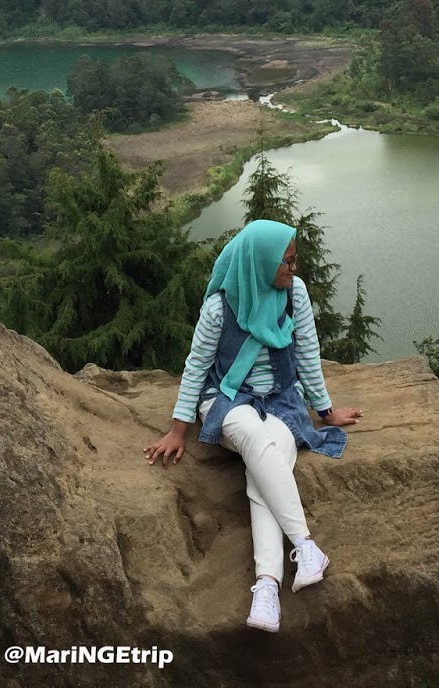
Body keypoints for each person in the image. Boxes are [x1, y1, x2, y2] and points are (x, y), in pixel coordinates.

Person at [142, 218, 364, 633]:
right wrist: (178, 428)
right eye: (287, 261)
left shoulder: (294, 295)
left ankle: (266, 586)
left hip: (281, 399)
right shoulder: (220, 307)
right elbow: (195, 369)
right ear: (260, 263)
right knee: (258, 441)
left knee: (268, 461)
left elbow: (308, 357)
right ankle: (305, 545)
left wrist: (326, 410)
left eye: (295, 260)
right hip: (227, 399)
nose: (294, 269)